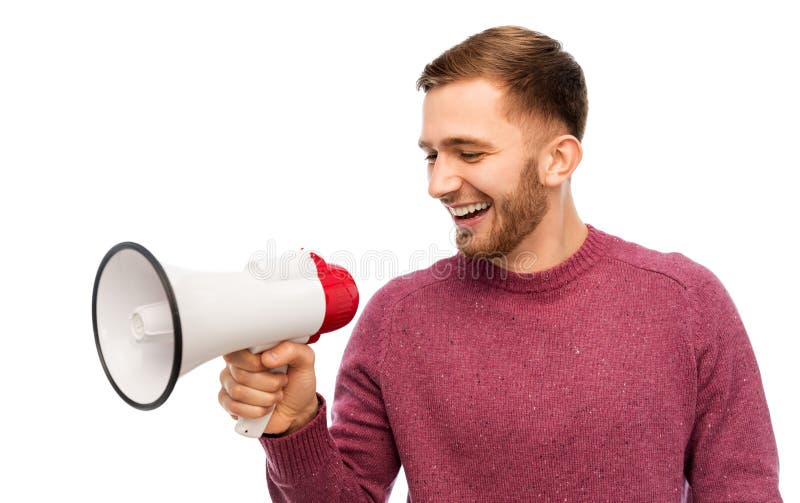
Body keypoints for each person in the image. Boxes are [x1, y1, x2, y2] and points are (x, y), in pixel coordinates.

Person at [217, 26, 782, 502]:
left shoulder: (685, 303)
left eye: (470, 153)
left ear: (558, 159)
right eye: (432, 155)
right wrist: (292, 427)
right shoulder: (399, 318)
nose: (439, 183)